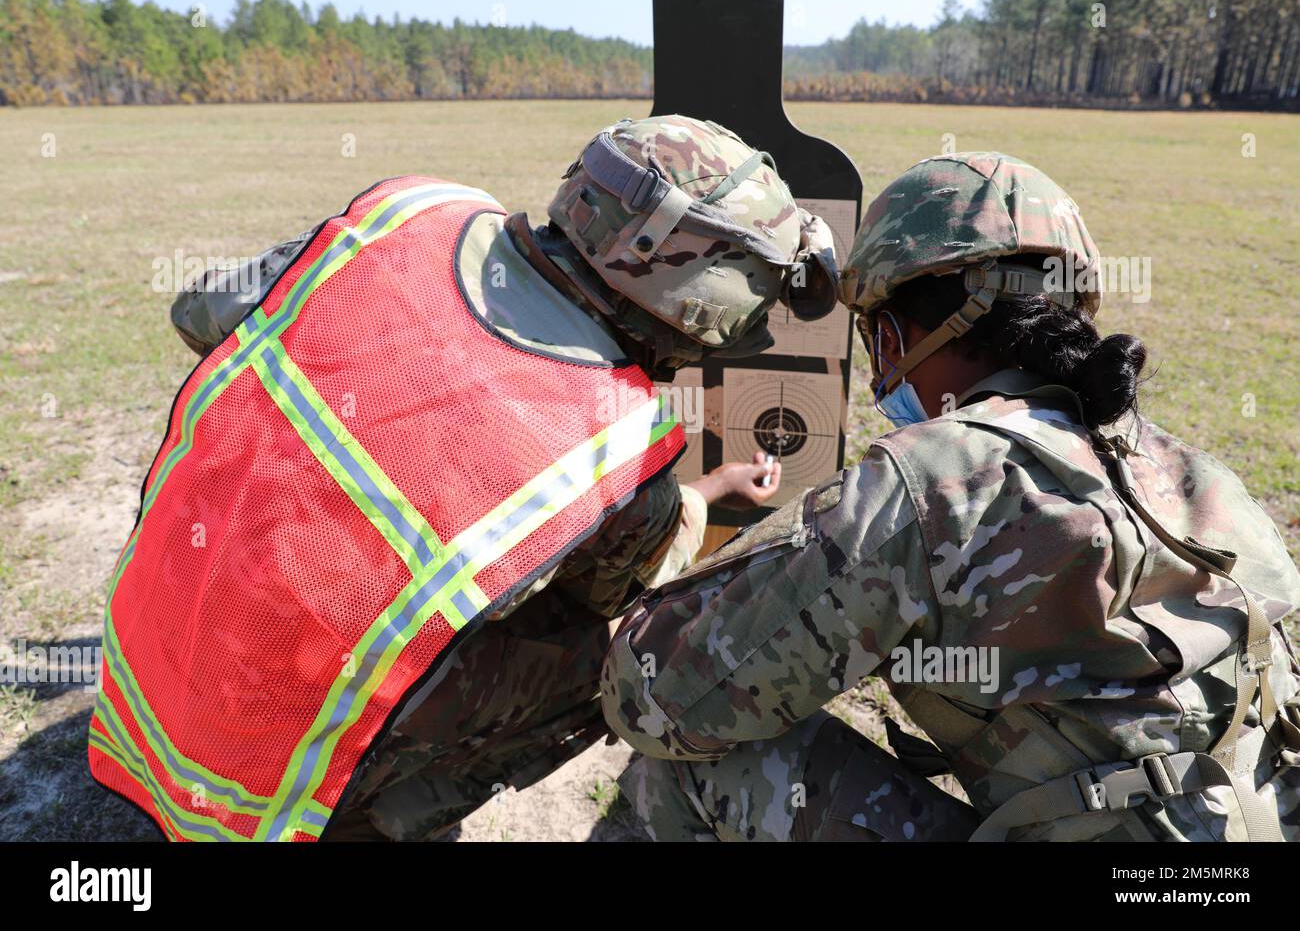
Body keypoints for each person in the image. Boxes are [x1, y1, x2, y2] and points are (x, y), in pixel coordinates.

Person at [90, 115, 838, 841]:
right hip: (254, 773)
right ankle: (366, 818)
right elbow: (623, 579)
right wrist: (709, 497)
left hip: (149, 655)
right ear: (697, 296)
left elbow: (201, 314)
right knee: (615, 654)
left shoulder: (410, 213)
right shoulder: (617, 443)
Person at [600, 151, 1300, 842]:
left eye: (878, 339)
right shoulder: (1196, 471)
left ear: (899, 332)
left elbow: (655, 699)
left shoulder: (936, 477)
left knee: (684, 773)